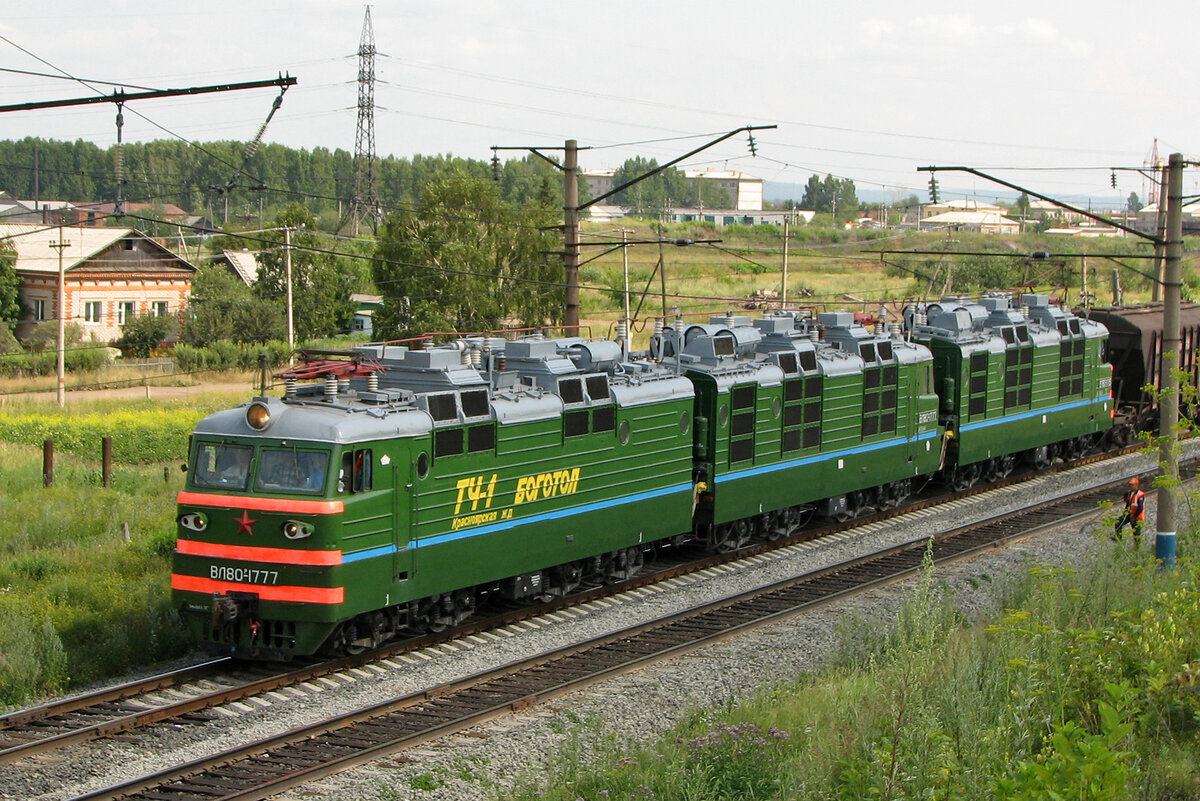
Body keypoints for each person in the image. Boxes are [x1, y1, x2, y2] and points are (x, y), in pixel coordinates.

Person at [1114, 477, 1146, 546]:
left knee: (1136, 533)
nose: (1131, 486)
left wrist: (1134, 517)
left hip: (1137, 517)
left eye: (1132, 485)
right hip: (1130, 514)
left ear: (1136, 485)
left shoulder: (1140, 495)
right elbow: (1128, 503)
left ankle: (1137, 548)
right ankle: (1118, 539)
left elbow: (1140, 508)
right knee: (1118, 522)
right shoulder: (1130, 493)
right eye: (1130, 485)